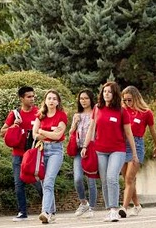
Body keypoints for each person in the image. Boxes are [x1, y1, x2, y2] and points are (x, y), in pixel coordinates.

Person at [84, 81, 138, 223]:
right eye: (104, 91)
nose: (106, 94)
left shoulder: (122, 111)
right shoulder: (97, 108)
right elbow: (91, 128)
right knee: (104, 181)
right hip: (100, 150)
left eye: (109, 91)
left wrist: (134, 153)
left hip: (118, 150)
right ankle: (109, 209)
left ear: (114, 94)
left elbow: (128, 133)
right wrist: (85, 146)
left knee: (111, 177)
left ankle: (114, 209)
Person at [0, 86, 41, 222]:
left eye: (33, 96)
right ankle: (22, 212)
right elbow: (2, 132)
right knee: (19, 184)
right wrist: (13, 126)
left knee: (36, 181)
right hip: (18, 153)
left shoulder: (38, 113)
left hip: (33, 154)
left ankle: (49, 208)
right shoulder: (15, 114)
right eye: (29, 97)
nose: (32, 99)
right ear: (21, 98)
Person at [120, 85, 156, 216]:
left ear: (136, 98)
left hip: (137, 145)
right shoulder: (122, 111)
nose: (127, 103)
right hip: (122, 145)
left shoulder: (146, 113)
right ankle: (137, 205)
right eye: (124, 100)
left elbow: (153, 131)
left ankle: (124, 208)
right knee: (126, 178)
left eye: (129, 100)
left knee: (130, 178)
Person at [33, 89, 67, 224]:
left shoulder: (61, 116)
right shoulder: (40, 115)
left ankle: (45, 212)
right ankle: (52, 212)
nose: (51, 101)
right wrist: (45, 133)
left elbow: (58, 135)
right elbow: (34, 134)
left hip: (55, 151)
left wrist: (42, 131)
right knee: (44, 182)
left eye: (54, 98)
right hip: (42, 150)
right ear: (45, 101)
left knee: (48, 181)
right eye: (49, 98)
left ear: (58, 101)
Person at [69, 89, 97, 218]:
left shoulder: (96, 113)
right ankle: (83, 202)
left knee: (91, 181)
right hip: (78, 150)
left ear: (91, 99)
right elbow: (71, 133)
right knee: (78, 179)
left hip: (92, 149)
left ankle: (91, 208)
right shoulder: (77, 115)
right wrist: (74, 122)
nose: (83, 101)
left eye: (86, 98)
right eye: (81, 99)